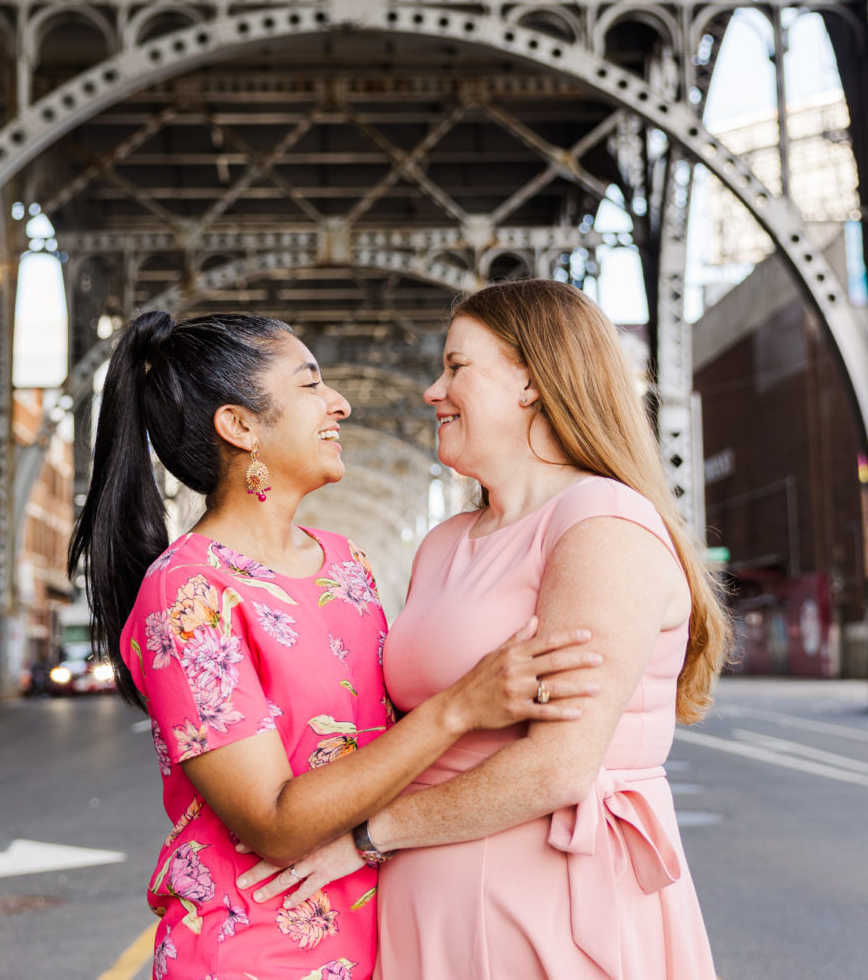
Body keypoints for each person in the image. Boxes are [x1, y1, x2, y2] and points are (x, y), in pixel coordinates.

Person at [68, 311, 602, 979]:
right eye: (310, 385)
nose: (339, 404)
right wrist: (459, 708)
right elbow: (274, 823)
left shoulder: (346, 564)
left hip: (392, 940)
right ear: (240, 427)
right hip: (258, 954)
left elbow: (386, 742)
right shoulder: (187, 594)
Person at [242, 279, 729, 979]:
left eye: (457, 368)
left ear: (531, 381)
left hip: (548, 909)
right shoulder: (446, 542)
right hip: (428, 912)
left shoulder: (602, 528)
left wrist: (371, 835)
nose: (432, 391)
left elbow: (558, 765)